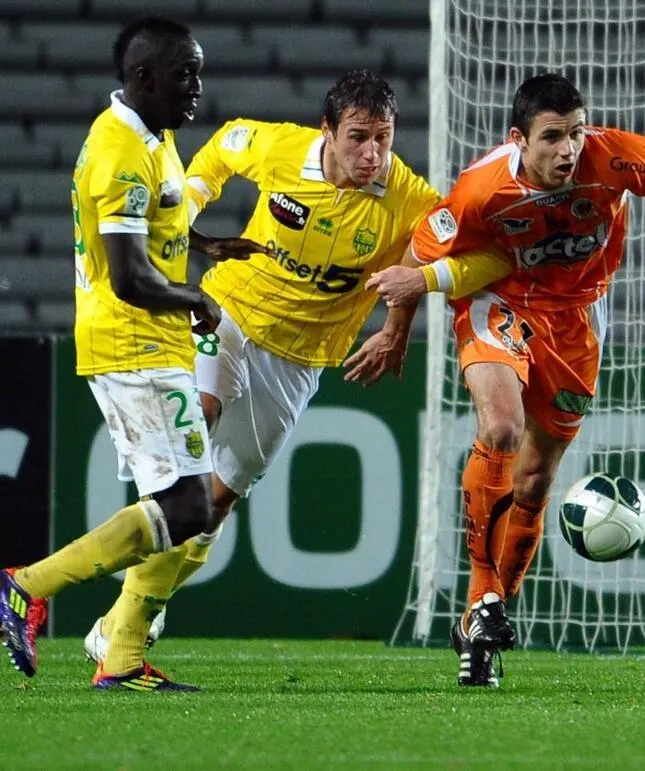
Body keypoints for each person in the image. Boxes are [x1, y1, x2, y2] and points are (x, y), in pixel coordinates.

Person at [358, 72, 645, 687]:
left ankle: (484, 631)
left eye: (576, 132)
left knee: (535, 479)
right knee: (500, 426)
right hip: (501, 302)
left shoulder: (611, 157)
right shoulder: (481, 188)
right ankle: (480, 597)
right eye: (552, 137)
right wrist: (394, 333)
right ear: (519, 138)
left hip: (577, 320)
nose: (569, 149)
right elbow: (416, 261)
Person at [81, 70, 501, 676]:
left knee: (218, 502)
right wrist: (190, 202)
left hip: (300, 360)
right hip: (228, 313)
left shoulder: (406, 196)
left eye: (383, 138)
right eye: (358, 137)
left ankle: (122, 622)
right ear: (326, 130)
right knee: (197, 433)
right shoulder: (280, 148)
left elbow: (477, 255)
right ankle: (113, 623)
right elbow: (224, 144)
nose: (372, 153)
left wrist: (403, 313)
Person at [0, 17, 261, 690]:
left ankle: (118, 661)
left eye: (197, 72)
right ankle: (26, 584)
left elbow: (160, 217)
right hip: (132, 340)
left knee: (185, 508)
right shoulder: (118, 152)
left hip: (152, 341)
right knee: (187, 508)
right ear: (142, 77)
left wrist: (205, 245)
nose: (197, 87)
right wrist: (196, 298)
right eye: (184, 75)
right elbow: (128, 275)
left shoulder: (153, 136)